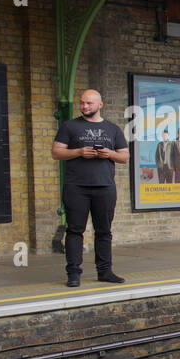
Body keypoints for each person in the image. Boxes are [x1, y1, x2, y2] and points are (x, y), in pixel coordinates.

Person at [51, 88, 130, 286]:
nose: (85, 106)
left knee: (104, 231)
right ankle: (74, 274)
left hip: (104, 187)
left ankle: (105, 272)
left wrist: (109, 154)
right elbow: (56, 152)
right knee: (75, 230)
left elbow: (124, 157)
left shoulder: (113, 129)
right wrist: (79, 152)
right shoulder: (70, 126)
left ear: (100, 105)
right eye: (82, 103)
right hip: (76, 187)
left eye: (89, 103)